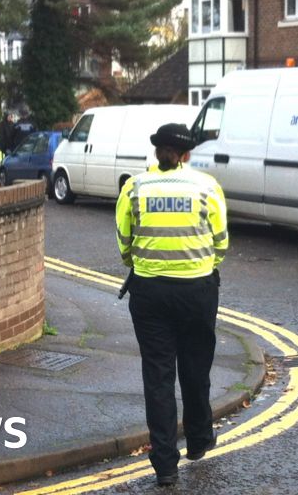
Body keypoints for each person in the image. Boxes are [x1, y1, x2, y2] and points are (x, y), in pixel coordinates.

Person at [115, 123, 228, 487]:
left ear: (157, 152)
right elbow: (221, 242)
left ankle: (165, 466)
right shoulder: (206, 187)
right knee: (196, 368)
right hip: (197, 290)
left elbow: (124, 241)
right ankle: (198, 440)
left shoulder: (134, 188)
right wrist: (202, 266)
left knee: (159, 377)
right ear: (186, 155)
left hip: (149, 293)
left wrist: (143, 262)